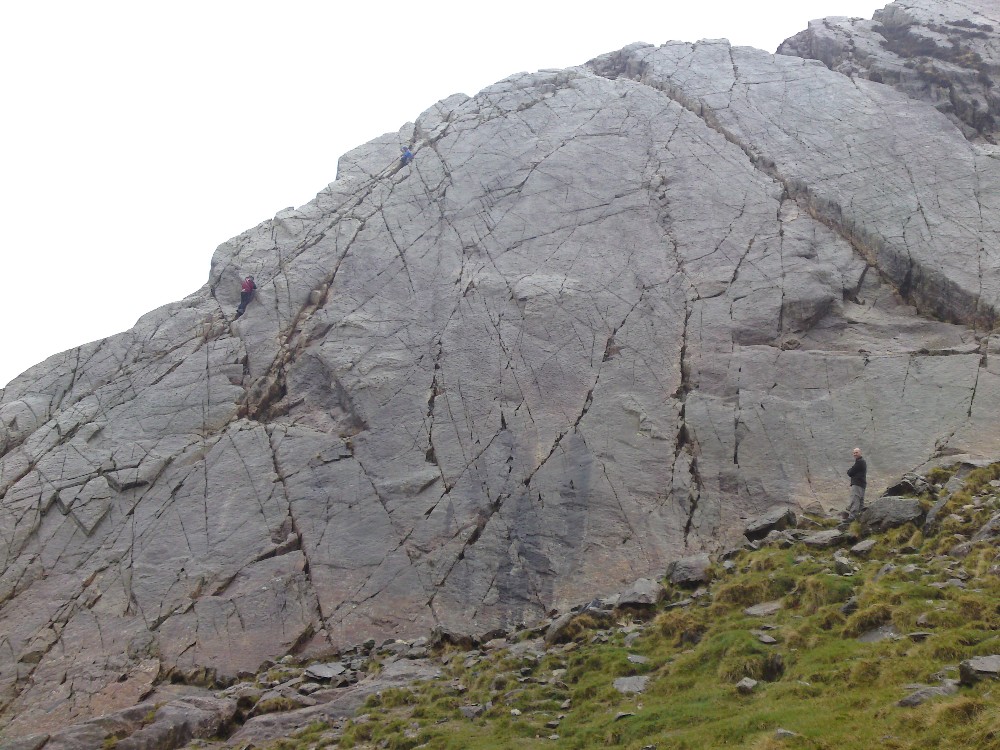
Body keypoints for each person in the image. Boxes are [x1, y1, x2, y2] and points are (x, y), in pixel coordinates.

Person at [846, 447, 867, 519]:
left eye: (856, 452)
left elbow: (850, 472)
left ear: (860, 453)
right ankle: (860, 518)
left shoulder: (860, 462)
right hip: (862, 484)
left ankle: (852, 517)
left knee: (855, 499)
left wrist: (849, 471)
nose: (855, 454)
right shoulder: (862, 462)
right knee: (861, 502)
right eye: (854, 453)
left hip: (857, 484)